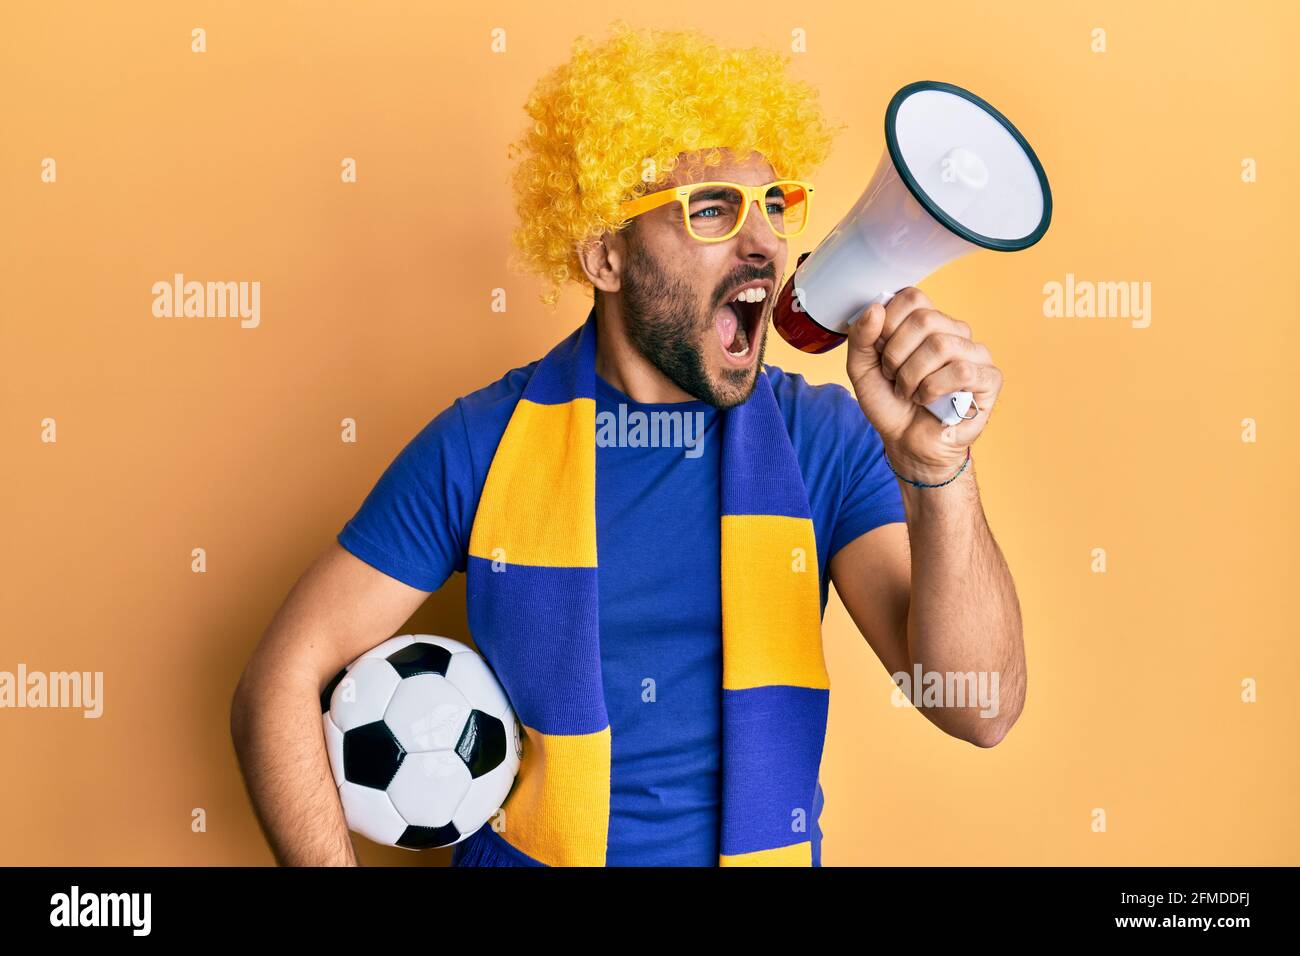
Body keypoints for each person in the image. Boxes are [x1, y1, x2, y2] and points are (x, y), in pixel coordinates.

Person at [230, 21, 1025, 867]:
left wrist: (940, 474)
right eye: (711, 209)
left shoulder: (820, 439)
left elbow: (981, 709)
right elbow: (277, 683)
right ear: (606, 257)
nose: (764, 243)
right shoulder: (482, 442)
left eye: (774, 206)